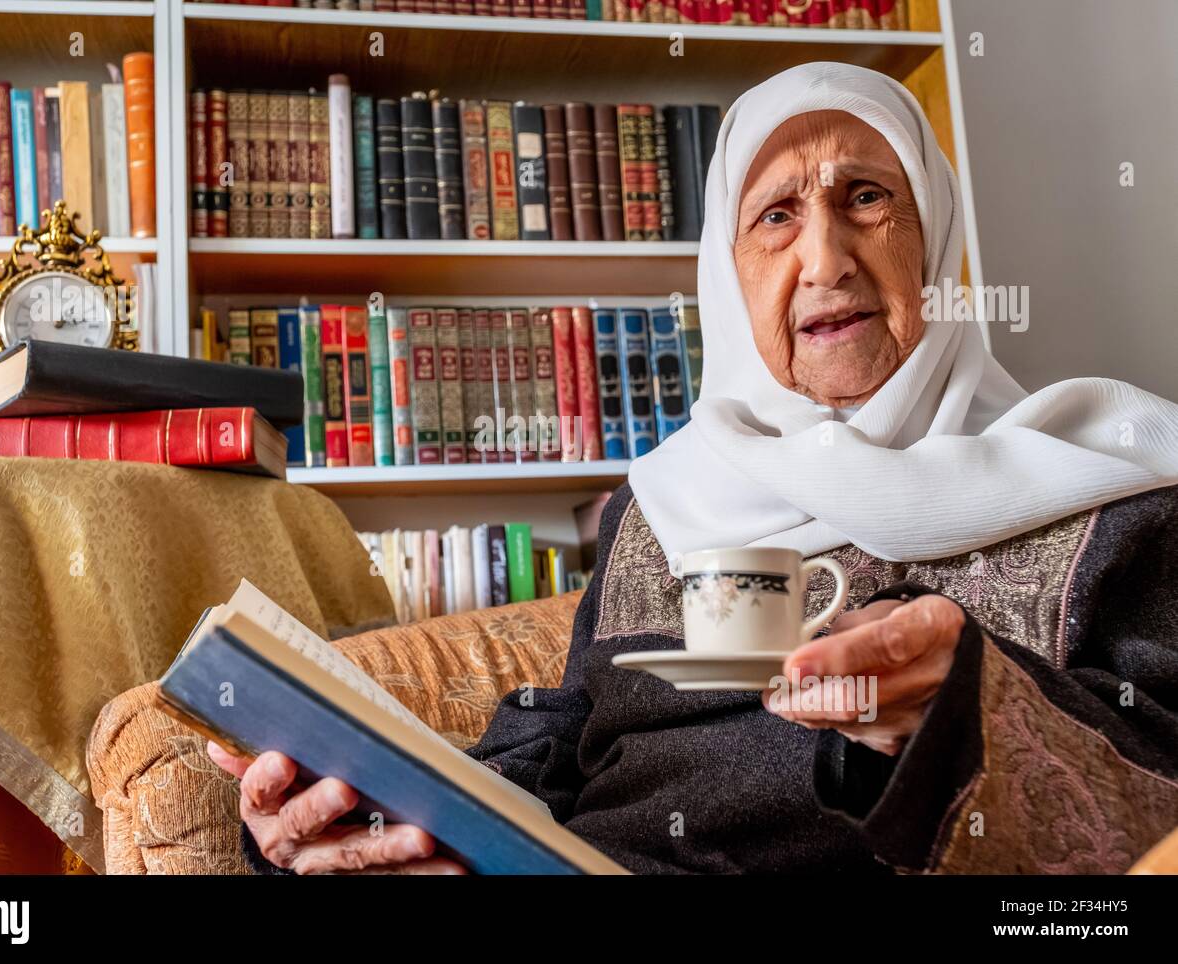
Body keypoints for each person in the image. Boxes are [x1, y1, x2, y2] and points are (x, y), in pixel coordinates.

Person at [209, 62, 1178, 875]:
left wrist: (962, 705)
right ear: (727, 274)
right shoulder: (667, 497)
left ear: (934, 238)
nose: (826, 258)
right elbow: (569, 732)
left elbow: (1156, 790)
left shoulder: (1100, 485)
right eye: (776, 218)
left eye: (867, 199)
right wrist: (368, 810)